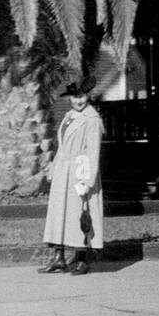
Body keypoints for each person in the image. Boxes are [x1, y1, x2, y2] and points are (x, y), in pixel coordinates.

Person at [38, 78, 104, 275]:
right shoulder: (69, 116)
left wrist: (88, 180)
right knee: (59, 214)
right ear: (70, 99)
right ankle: (59, 258)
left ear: (88, 96)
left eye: (82, 97)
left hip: (80, 171)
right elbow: (63, 146)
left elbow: (93, 151)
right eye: (75, 97)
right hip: (63, 172)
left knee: (80, 215)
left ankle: (83, 259)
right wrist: (54, 168)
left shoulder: (92, 120)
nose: (79, 101)